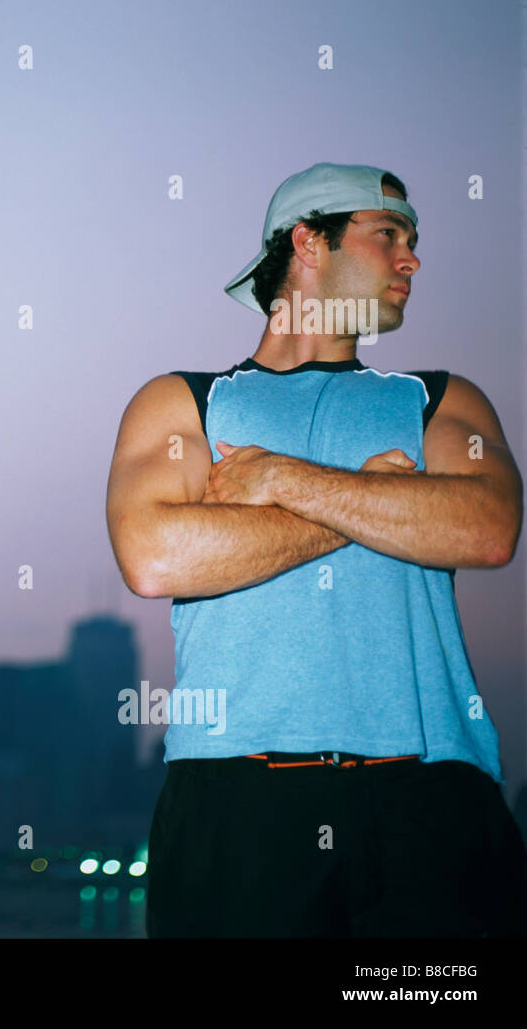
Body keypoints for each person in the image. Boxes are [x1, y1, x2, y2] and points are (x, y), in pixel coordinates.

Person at [105, 162, 526, 937]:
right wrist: (369, 502)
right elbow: (156, 557)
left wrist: (278, 479)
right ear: (308, 239)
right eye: (389, 234)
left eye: (414, 241)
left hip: (432, 806)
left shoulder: (439, 398)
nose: (413, 260)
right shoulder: (185, 401)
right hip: (237, 810)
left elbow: (486, 527)